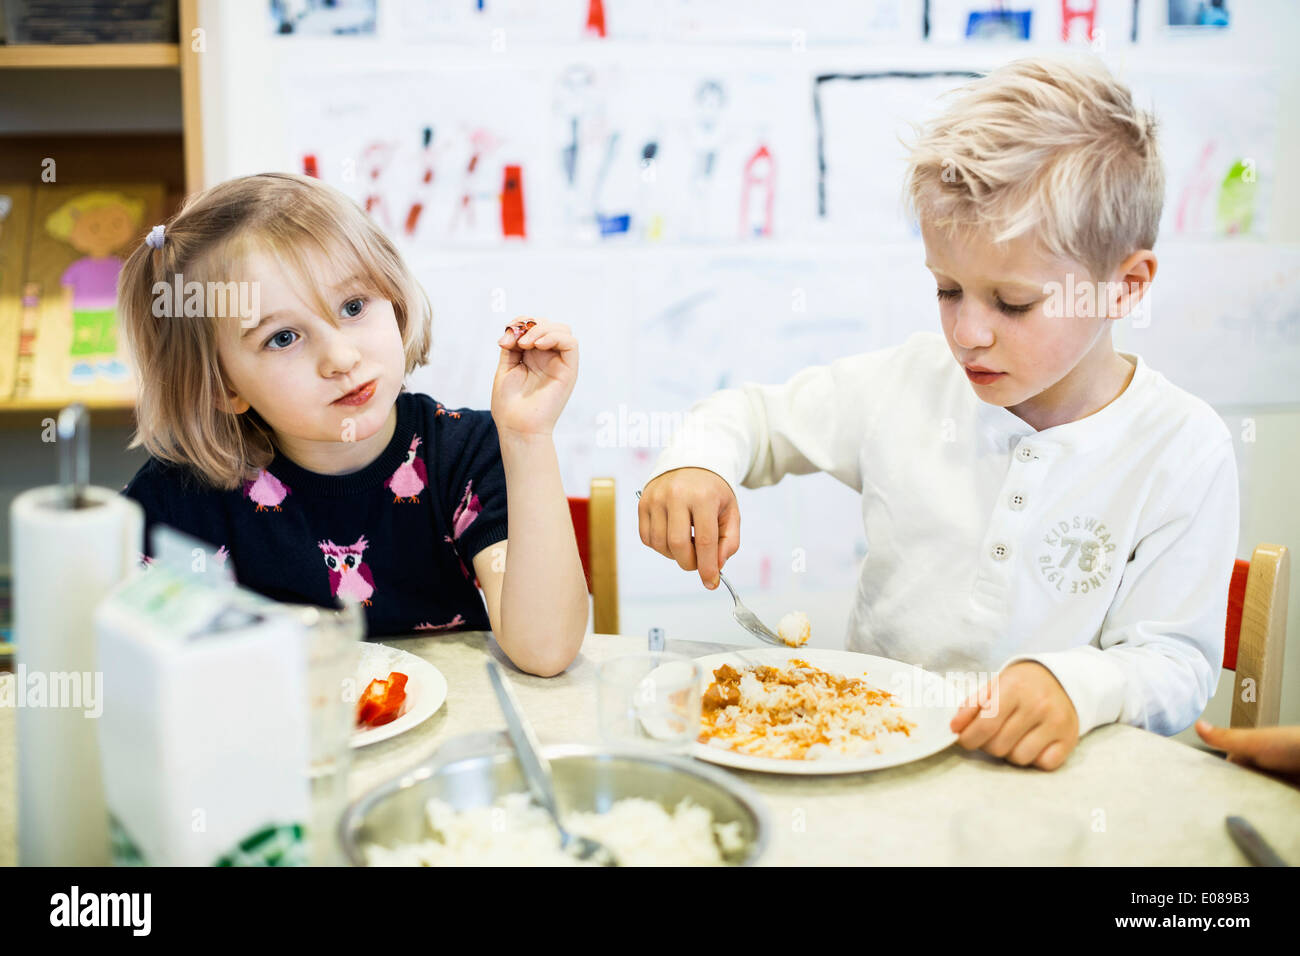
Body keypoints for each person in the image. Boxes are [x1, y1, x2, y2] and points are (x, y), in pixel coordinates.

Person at [638, 56, 1240, 769]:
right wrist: (696, 462)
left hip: (1065, 799)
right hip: (876, 764)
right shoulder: (909, 383)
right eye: (948, 289)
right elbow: (754, 418)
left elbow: (1174, 662)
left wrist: (1079, 685)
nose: (968, 333)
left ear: (1126, 285)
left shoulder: (1180, 447)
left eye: (1013, 302)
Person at [118, 172, 588, 676]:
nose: (340, 358)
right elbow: (142, 683)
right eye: (283, 338)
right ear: (222, 386)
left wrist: (526, 438)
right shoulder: (179, 500)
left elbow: (545, 651)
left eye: (353, 306)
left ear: (395, 299)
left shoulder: (466, 453)